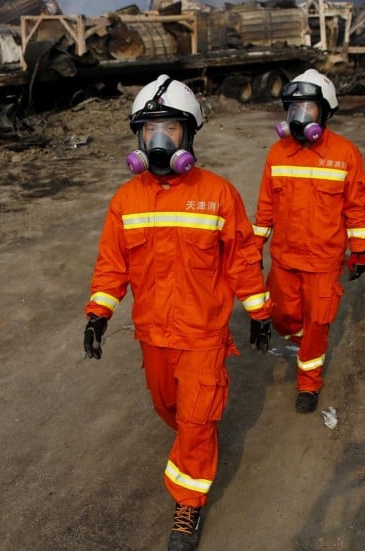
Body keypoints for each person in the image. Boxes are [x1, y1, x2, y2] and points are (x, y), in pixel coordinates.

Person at [83, 74, 272, 551]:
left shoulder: (218, 194)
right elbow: (112, 265)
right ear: (138, 138)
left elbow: (243, 260)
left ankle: (188, 504)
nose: (159, 140)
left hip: (203, 336)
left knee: (194, 419)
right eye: (150, 131)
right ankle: (196, 443)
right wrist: (98, 315)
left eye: (170, 128)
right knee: (168, 408)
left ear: (189, 135)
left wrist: (260, 311)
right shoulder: (127, 200)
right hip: (153, 335)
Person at [252, 68, 365, 414]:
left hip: (323, 262)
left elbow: (356, 207)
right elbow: (265, 207)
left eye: (308, 109)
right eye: (294, 109)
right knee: (284, 319)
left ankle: (309, 384)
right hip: (285, 259)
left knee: (317, 324)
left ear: (326, 112)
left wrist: (359, 251)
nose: (299, 117)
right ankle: (305, 343)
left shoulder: (346, 154)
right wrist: (254, 247)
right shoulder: (277, 153)